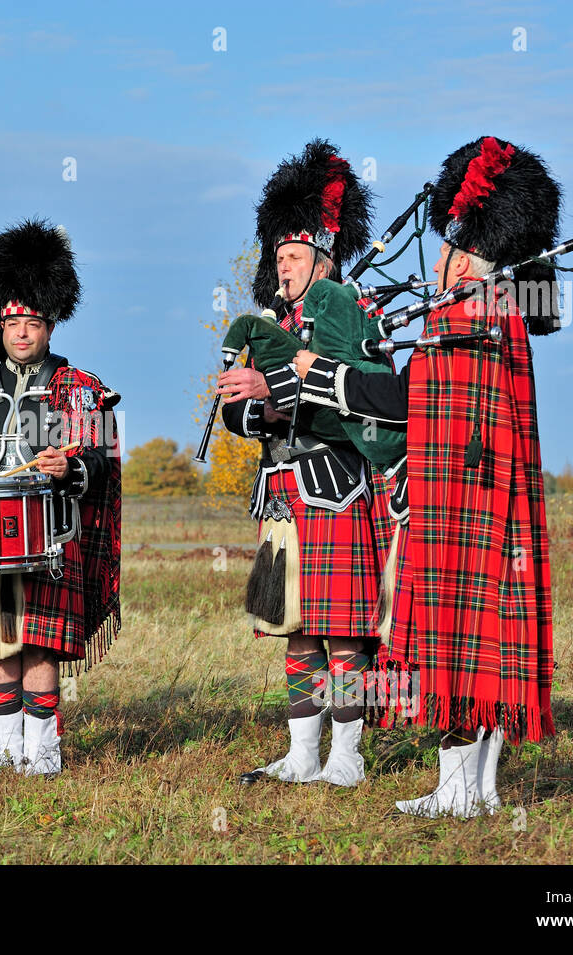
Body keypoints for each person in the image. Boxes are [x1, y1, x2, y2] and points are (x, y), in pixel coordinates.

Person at [292, 136, 560, 816]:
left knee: (459, 634)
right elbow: (416, 400)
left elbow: (402, 401)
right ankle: (471, 788)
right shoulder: (489, 311)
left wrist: (322, 374)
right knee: (471, 636)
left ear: (468, 253)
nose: (434, 259)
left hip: (462, 506)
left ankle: (464, 791)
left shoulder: (475, 311)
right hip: (471, 501)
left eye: (446, 247)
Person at [217, 140, 401, 788]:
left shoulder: (352, 313)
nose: (282, 265)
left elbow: (377, 397)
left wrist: (282, 390)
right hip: (280, 492)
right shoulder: (266, 323)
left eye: (293, 254)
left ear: (323, 255)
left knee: (342, 630)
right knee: (293, 627)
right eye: (277, 255)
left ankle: (346, 759)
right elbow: (241, 418)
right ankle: (301, 755)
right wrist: (254, 410)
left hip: (338, 486)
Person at [0, 219, 121, 777]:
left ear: (50, 325)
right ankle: (6, 750)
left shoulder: (77, 386)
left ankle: (44, 752)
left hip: (51, 535)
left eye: (31, 322)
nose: (20, 332)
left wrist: (73, 464)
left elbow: (103, 465)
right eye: (12, 322)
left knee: (39, 646)